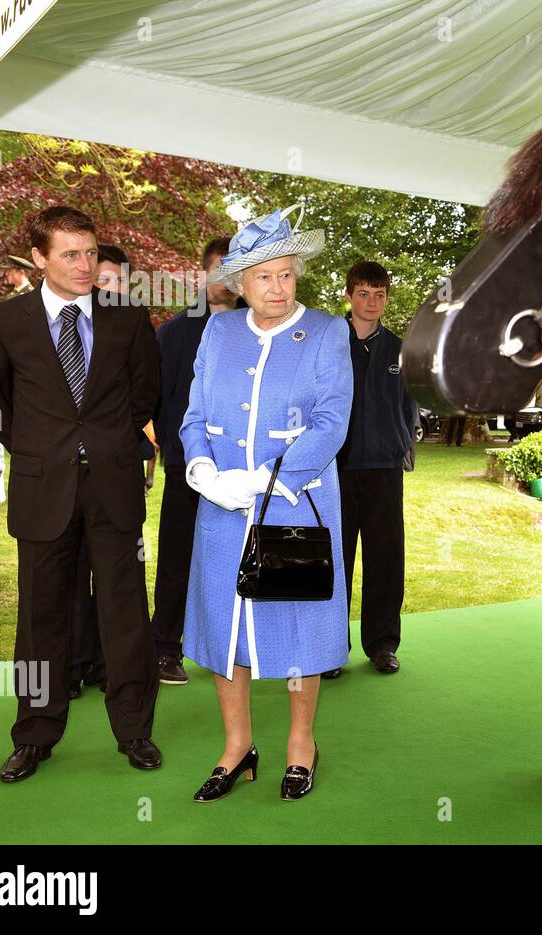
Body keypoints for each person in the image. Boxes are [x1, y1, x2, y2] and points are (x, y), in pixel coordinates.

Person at [0, 205, 162, 782]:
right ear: (39, 258)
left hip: (112, 485)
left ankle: (134, 732)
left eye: (90, 252)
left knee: (125, 611)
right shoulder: (5, 321)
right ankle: (34, 735)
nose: (86, 265)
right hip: (42, 489)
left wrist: (101, 444)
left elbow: (144, 397)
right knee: (41, 617)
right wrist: (43, 453)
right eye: (70, 254)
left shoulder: (128, 319)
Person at [180, 206, 351, 802]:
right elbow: (195, 415)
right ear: (239, 282)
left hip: (293, 507)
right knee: (228, 633)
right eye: (263, 277)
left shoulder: (328, 332)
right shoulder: (219, 331)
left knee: (295, 627)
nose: (276, 288)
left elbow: (332, 423)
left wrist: (263, 477)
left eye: (285, 274)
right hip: (222, 512)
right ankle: (237, 747)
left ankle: (301, 744)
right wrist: (202, 469)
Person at [151, 237, 237, 686]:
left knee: (238, 560)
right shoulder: (176, 332)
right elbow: (159, 400)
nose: (227, 278)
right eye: (219, 269)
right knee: (177, 559)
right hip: (187, 469)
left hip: (244, 473)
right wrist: (177, 452)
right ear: (202, 275)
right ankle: (165, 648)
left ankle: (233, 649)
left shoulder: (258, 327)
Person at [331, 261, 417, 678]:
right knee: (336, 558)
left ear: (387, 298)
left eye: (379, 294)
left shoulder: (401, 350)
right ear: (349, 295)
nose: (371, 302)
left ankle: (383, 644)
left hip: (385, 468)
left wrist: (405, 441)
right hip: (337, 468)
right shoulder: (329, 344)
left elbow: (408, 403)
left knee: (386, 558)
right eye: (363, 293)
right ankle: (330, 647)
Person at [67, 243, 135, 700]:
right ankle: (71, 668)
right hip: (54, 480)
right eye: (100, 278)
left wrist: (111, 445)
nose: (104, 285)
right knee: (63, 587)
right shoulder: (29, 324)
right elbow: (7, 406)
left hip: (114, 476)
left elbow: (143, 395)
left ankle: (120, 680)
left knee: (119, 591)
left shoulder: (132, 326)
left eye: (115, 280)